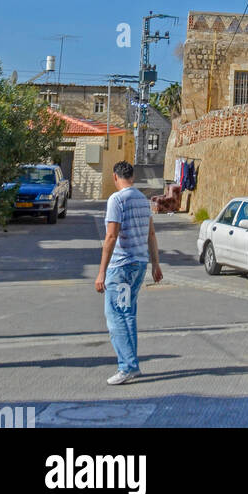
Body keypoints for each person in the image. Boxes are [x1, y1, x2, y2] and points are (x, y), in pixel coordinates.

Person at [95, 160, 163, 385]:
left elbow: (111, 236)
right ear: (132, 177)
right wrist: (155, 264)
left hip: (121, 268)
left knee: (116, 316)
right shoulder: (143, 201)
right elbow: (151, 234)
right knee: (128, 313)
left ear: (116, 177)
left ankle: (128, 367)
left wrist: (101, 272)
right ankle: (130, 363)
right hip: (139, 264)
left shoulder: (117, 200)